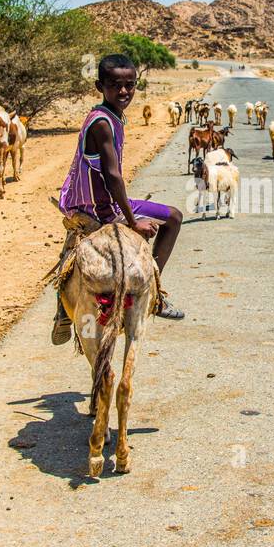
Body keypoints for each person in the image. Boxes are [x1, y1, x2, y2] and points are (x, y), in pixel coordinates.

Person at [52, 54, 184, 345]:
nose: (124, 92)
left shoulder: (112, 116)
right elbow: (113, 176)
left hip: (101, 200)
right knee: (172, 219)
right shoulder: (102, 123)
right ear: (101, 85)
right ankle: (154, 295)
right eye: (115, 85)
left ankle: (152, 292)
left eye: (130, 85)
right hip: (96, 206)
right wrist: (133, 221)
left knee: (173, 216)